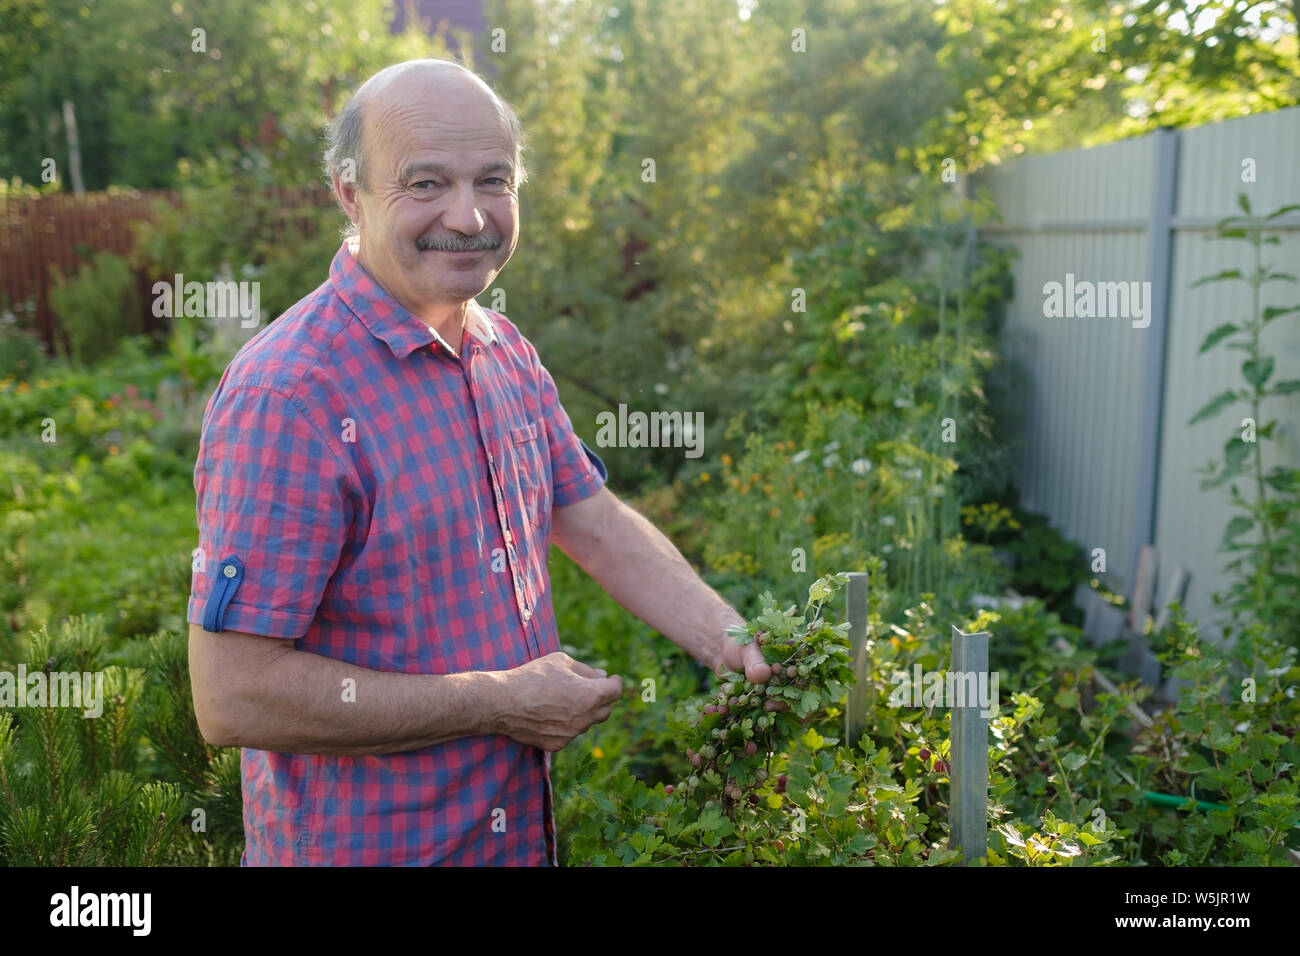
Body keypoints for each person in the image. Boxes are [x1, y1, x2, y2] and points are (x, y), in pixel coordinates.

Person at [186, 58, 772, 866]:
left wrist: (729, 638)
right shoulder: (292, 395)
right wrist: (500, 703)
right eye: (425, 183)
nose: (468, 217)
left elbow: (594, 522)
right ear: (350, 193)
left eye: (493, 181)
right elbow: (232, 695)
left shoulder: (501, 350)